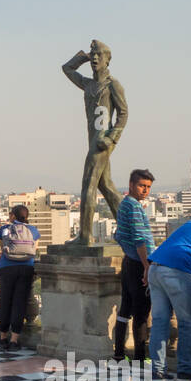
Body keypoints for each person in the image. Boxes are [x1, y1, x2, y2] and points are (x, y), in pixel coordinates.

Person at [61, 41, 127, 244]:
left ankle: (85, 236)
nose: (95, 58)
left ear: (108, 59)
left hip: (101, 141)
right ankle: (129, 232)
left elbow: (123, 113)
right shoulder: (88, 84)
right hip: (93, 138)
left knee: (88, 186)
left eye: (99, 55)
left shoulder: (112, 84)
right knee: (106, 186)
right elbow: (67, 68)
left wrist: (111, 138)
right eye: (93, 55)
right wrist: (83, 56)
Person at [146, 215, 191, 381]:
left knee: (160, 322)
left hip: (155, 267)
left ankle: (158, 372)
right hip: (178, 270)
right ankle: (186, 371)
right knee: (187, 323)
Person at [113, 168, 155, 362]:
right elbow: (140, 239)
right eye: (142, 186)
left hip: (129, 261)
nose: (145, 190)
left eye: (148, 187)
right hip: (139, 263)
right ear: (131, 185)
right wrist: (147, 267)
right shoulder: (134, 207)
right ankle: (140, 356)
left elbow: (120, 235)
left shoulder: (125, 204)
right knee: (141, 311)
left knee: (125, 310)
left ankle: (120, 353)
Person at [0, 205, 39, 350]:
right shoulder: (33, 230)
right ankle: (14, 340)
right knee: (20, 304)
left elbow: (3, 248)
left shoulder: (5, 229)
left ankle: (3, 338)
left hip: (7, 267)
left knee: (5, 302)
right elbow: (34, 249)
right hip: (26, 267)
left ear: (13, 216)